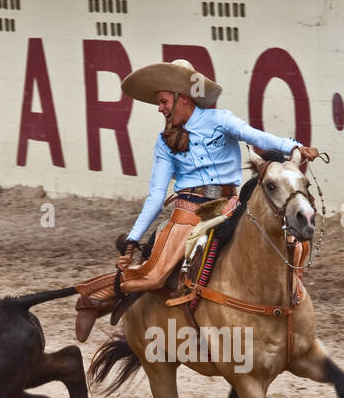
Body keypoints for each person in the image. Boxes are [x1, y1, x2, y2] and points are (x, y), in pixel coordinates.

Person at [72, 59, 318, 342]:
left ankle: (287, 298)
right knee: (154, 276)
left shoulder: (221, 120)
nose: (160, 108)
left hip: (230, 206)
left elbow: (257, 136)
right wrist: (133, 238)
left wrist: (293, 146)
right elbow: (156, 196)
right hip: (187, 213)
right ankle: (93, 296)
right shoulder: (164, 142)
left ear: (182, 98)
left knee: (294, 245)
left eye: (163, 101)